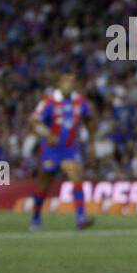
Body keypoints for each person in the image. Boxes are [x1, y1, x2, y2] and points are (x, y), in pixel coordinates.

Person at [29, 72, 95, 231]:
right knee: (43, 186)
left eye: (72, 81)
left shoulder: (80, 102)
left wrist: (91, 139)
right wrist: (47, 133)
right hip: (51, 151)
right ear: (59, 83)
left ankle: (81, 217)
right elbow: (34, 121)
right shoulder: (49, 102)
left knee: (76, 177)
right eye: (66, 81)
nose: (69, 85)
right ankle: (36, 218)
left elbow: (90, 118)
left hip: (70, 149)